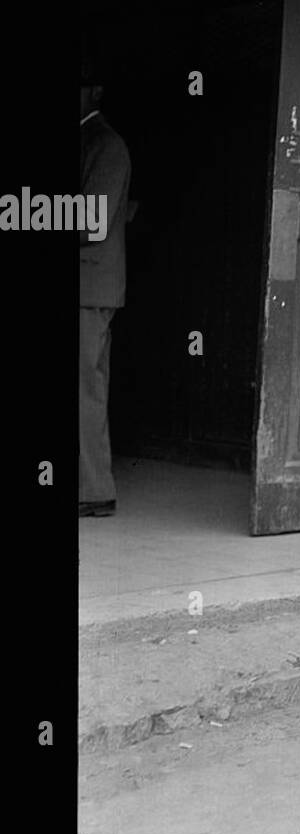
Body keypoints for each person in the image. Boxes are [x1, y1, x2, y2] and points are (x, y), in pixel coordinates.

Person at [79, 58, 131, 517]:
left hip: (89, 288)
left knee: (83, 389)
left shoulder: (106, 145)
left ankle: (94, 492)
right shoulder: (89, 141)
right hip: (87, 287)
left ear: (94, 91)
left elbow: (90, 220)